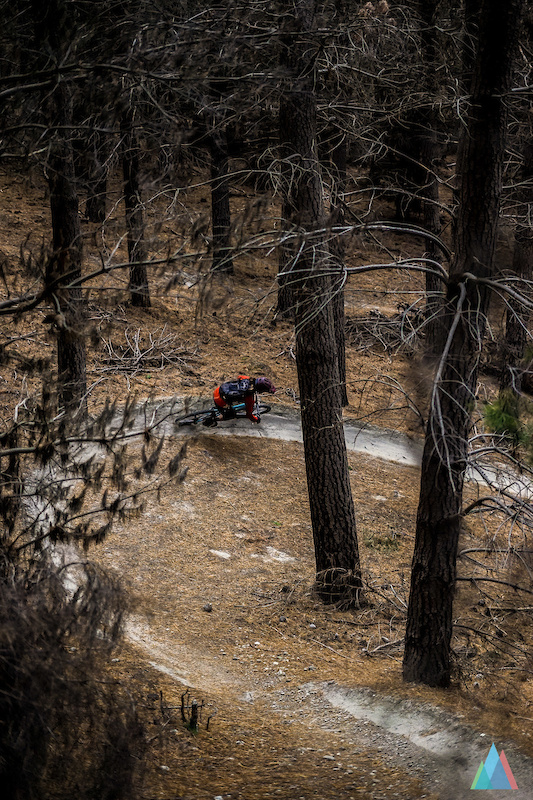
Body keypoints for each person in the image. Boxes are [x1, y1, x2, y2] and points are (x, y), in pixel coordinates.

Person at [204, 375, 276, 426]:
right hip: (219, 400)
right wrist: (256, 419)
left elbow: (239, 377)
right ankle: (213, 420)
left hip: (219, 390)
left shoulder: (247, 378)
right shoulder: (249, 398)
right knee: (230, 415)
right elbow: (249, 414)